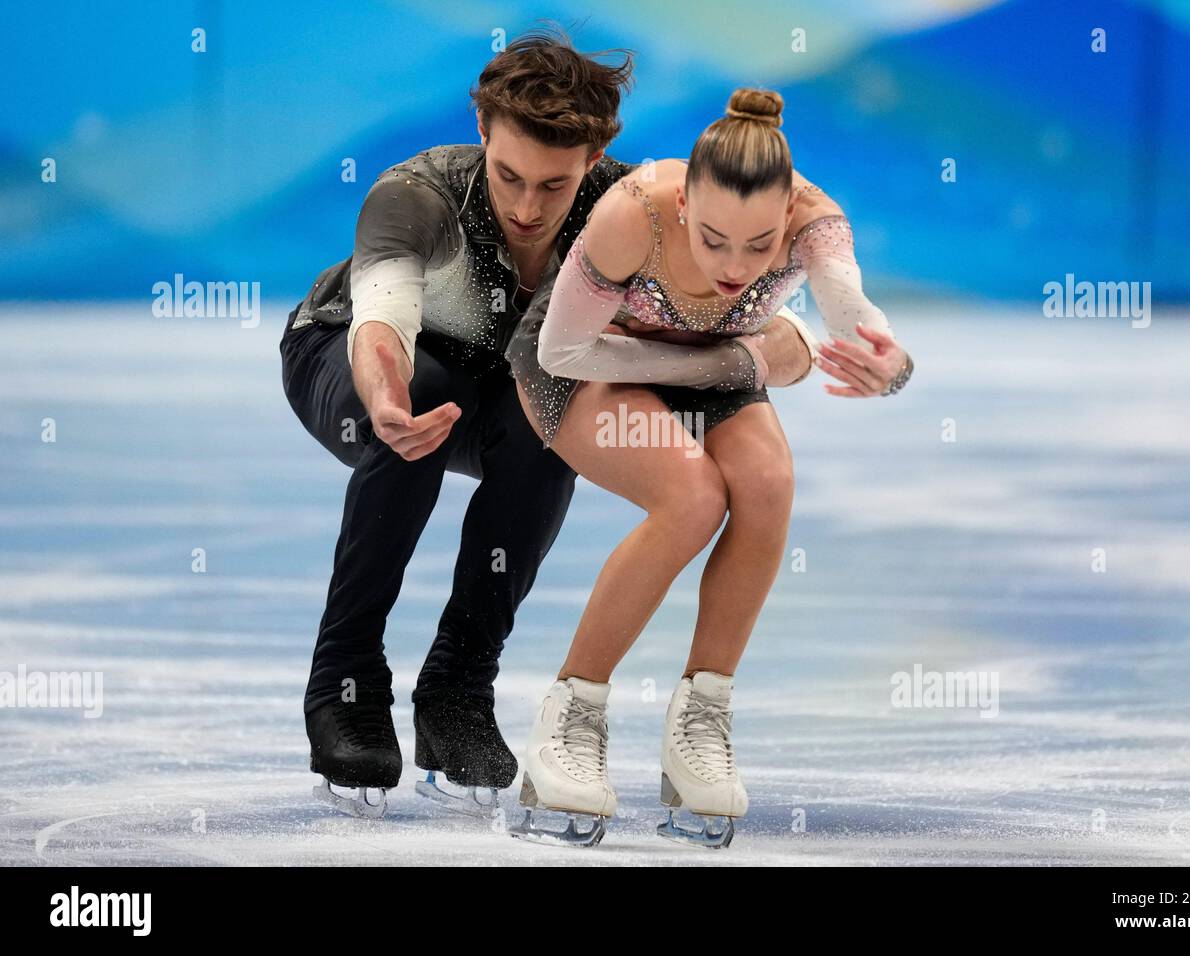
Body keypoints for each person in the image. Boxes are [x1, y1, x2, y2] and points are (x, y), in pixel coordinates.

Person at [279, 35, 819, 818]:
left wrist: (793, 347)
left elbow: (761, 313)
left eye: (554, 185)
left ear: (599, 152)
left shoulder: (636, 211)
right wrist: (386, 396)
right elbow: (383, 320)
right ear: (482, 129)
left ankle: (459, 684)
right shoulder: (417, 196)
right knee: (421, 394)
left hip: (501, 387)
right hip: (349, 356)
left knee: (551, 415)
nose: (527, 208)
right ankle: (345, 679)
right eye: (508, 176)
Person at [505, 87, 914, 847]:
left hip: (714, 363)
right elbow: (563, 349)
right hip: (582, 366)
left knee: (766, 485)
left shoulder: (817, 225)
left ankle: (702, 717)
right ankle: (572, 713)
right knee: (691, 496)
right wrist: (746, 359)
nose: (735, 266)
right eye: (714, 239)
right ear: (685, 205)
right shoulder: (633, 213)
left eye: (760, 246)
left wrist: (890, 361)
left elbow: (851, 309)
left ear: (789, 212)